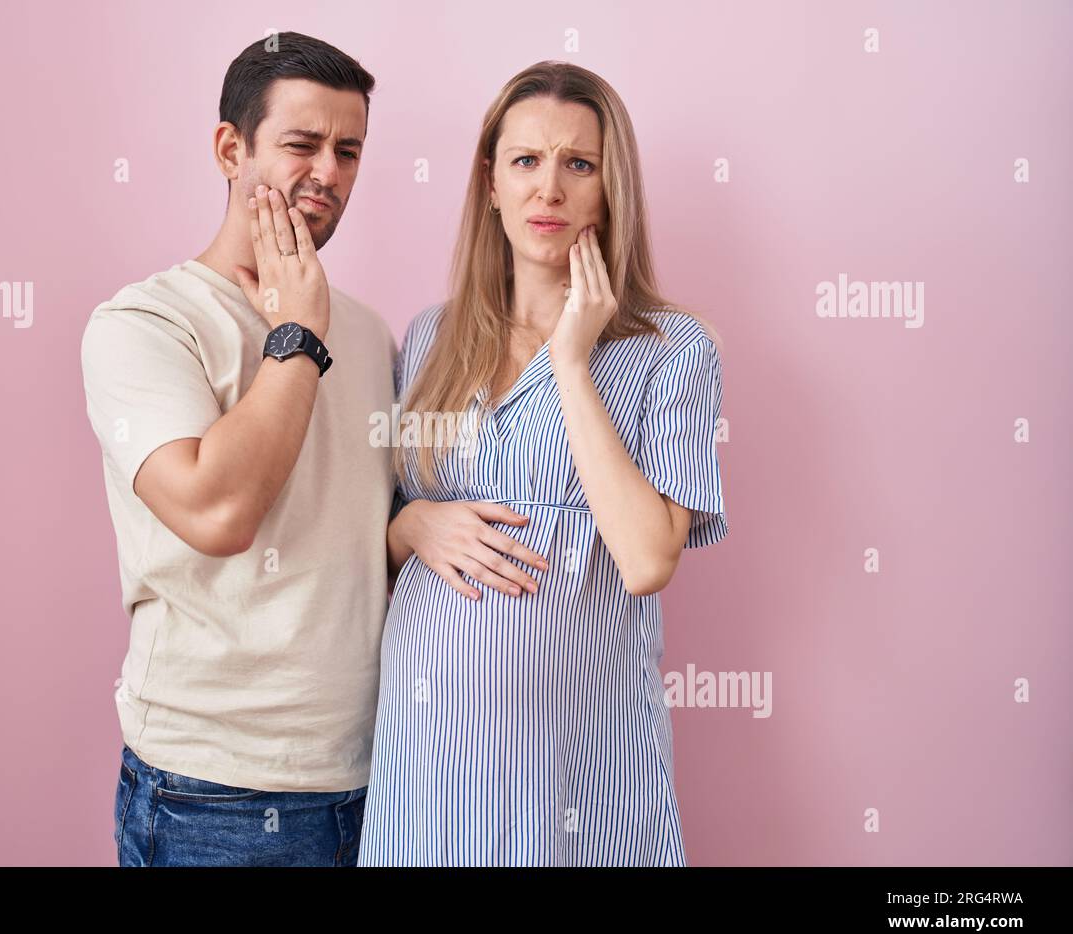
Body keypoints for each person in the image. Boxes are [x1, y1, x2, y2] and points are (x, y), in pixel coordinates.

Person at [359, 61, 730, 866]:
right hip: (424, 763)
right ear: (490, 184)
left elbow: (645, 558)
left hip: (570, 769)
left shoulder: (672, 351)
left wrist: (570, 360)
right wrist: (412, 523)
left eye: (579, 164)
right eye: (525, 161)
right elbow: (372, 536)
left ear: (609, 189)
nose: (549, 189)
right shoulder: (429, 338)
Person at [80, 32, 396, 866]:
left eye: (349, 150)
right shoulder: (146, 324)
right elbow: (217, 511)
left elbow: (364, 535)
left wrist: (421, 527)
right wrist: (295, 336)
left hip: (381, 774)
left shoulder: (367, 333)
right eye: (301, 144)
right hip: (212, 795)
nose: (327, 171)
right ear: (231, 147)